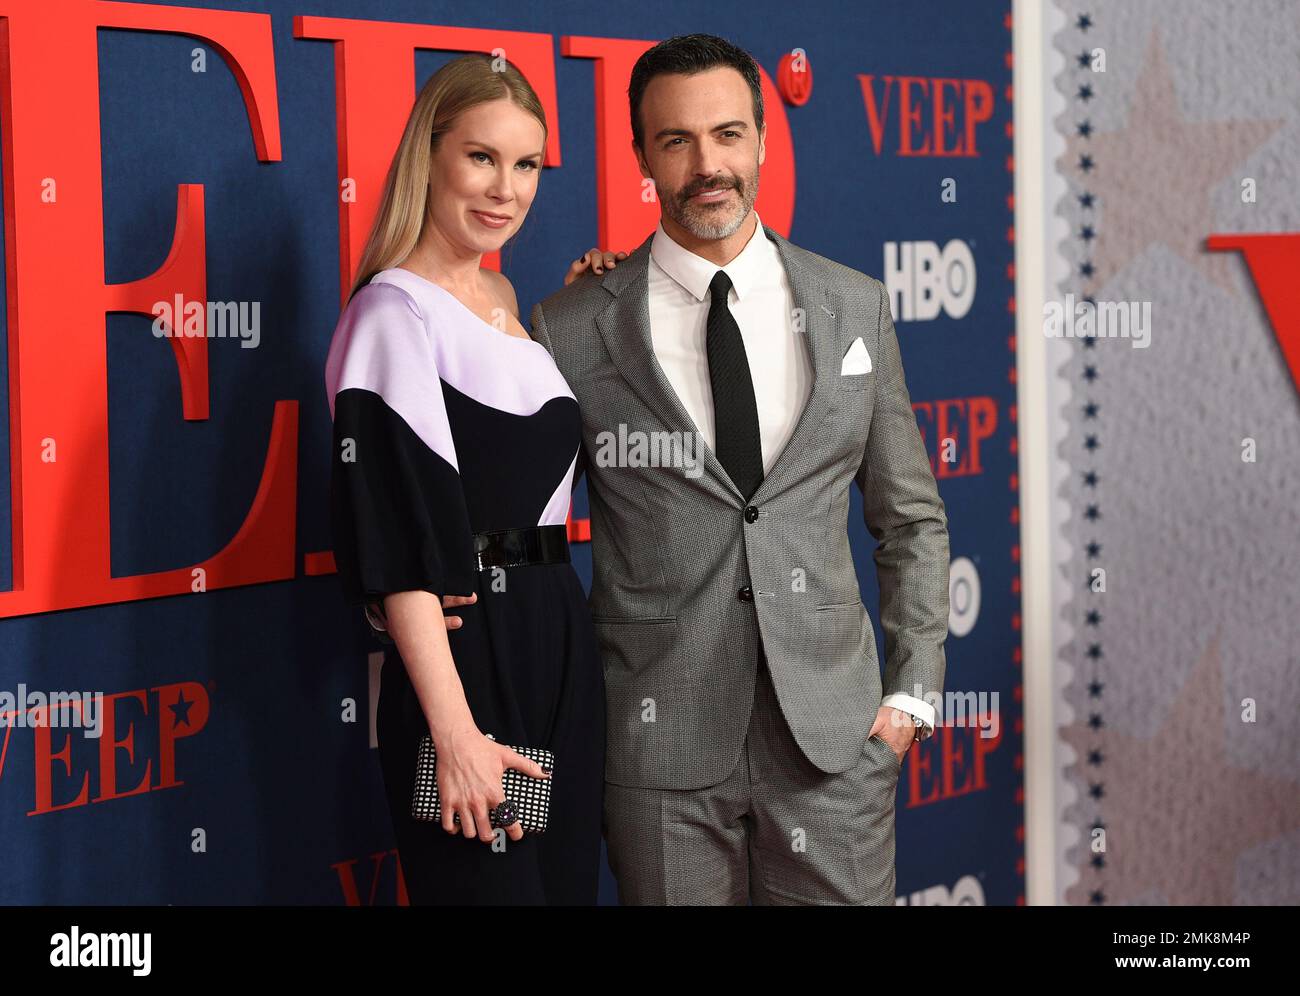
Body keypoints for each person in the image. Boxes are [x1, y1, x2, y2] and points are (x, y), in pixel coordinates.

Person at [528, 34, 951, 905]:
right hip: (658, 757)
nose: (706, 163)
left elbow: (909, 517)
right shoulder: (575, 326)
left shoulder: (853, 305)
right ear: (640, 154)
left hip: (835, 750)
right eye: (676, 140)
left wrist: (909, 699)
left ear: (762, 138)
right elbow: (522, 532)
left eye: (727, 134)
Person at [324, 53, 605, 905]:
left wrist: (586, 306)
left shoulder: (509, 300)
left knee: (555, 893)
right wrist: (455, 734)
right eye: (482, 157)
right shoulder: (391, 311)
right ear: (430, 155)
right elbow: (399, 540)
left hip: (557, 640)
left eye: (525, 166)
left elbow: (518, 467)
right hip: (468, 662)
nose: (505, 190)